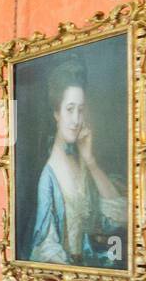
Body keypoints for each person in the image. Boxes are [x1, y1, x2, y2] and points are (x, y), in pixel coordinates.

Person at [26, 62, 126, 267]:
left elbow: (120, 217)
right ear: (56, 114)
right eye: (69, 109)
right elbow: (46, 249)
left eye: (80, 110)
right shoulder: (48, 177)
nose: (76, 120)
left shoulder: (82, 161)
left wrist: (91, 161)